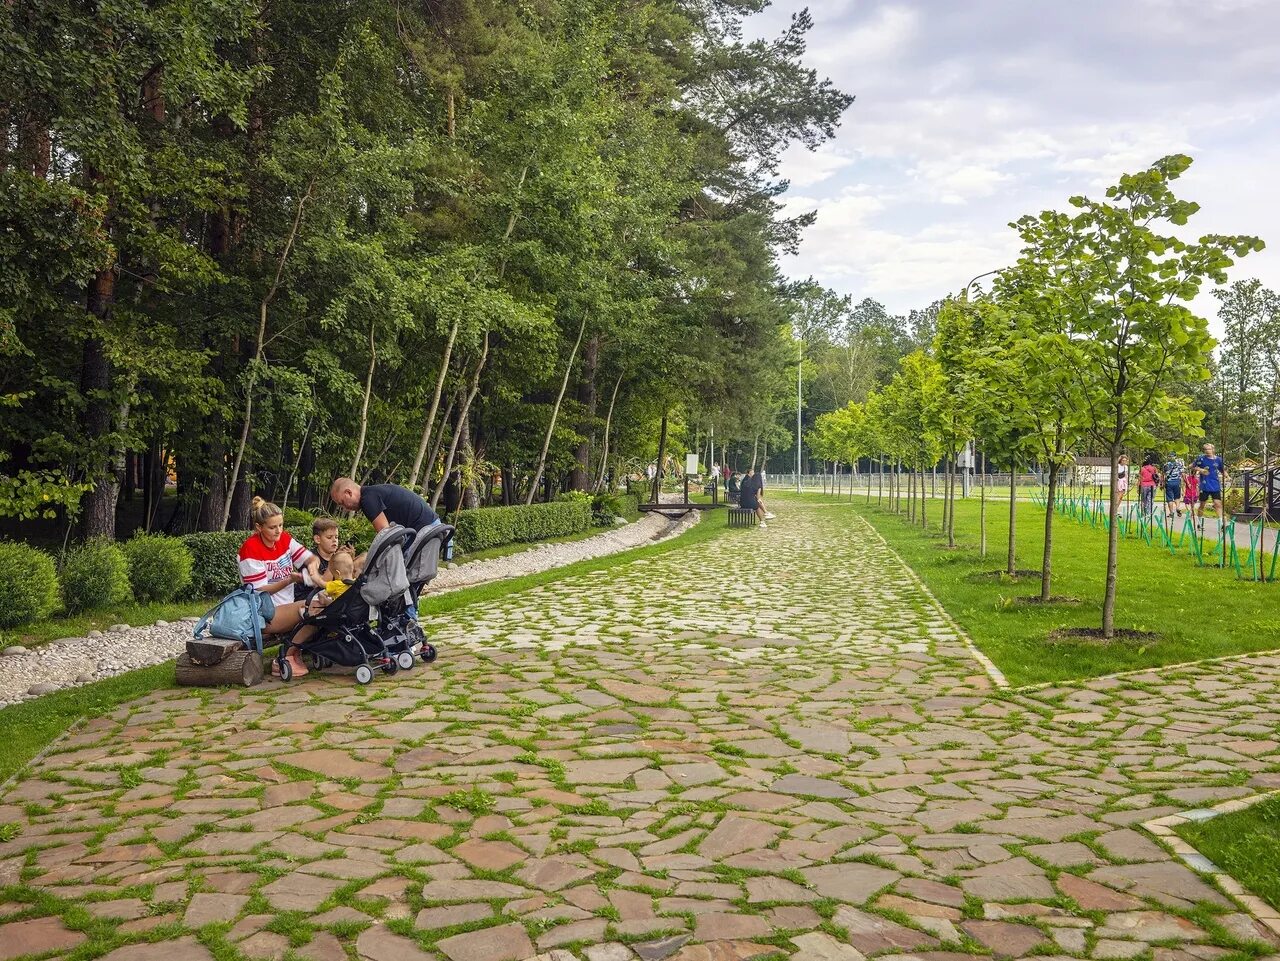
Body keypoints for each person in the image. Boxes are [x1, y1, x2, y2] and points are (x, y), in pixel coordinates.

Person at [239, 497, 328, 677]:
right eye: (272, 527)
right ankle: (285, 657)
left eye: (280, 525)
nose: (278, 531)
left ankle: (294, 652)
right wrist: (289, 580)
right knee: (315, 608)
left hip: (286, 605)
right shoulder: (250, 549)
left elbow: (310, 557)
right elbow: (258, 591)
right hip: (264, 612)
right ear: (259, 528)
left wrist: (311, 565)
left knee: (328, 604)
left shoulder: (284, 539)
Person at [330, 477, 440, 533]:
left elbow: (385, 533)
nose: (345, 508)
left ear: (349, 493)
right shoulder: (373, 493)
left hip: (426, 528)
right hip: (430, 524)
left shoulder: (367, 499)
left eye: (343, 503)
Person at [1193, 443, 1228, 528]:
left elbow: (1223, 470)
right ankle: (1199, 521)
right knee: (1202, 504)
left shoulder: (1219, 460)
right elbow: (1194, 467)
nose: (1207, 451)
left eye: (1209, 449)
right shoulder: (1201, 458)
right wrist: (1201, 470)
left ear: (1213, 449)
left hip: (1215, 485)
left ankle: (1221, 523)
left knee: (1218, 504)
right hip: (1204, 485)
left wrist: (1227, 476)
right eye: (1205, 449)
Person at [1162, 453, 1183, 520]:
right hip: (1177, 482)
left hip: (1169, 482)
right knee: (1177, 497)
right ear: (1175, 457)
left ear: (1169, 457)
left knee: (1169, 498)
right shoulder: (1179, 464)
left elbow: (1163, 474)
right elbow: (1182, 473)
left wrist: (1162, 483)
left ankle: (1171, 512)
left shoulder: (1166, 465)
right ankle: (1177, 507)